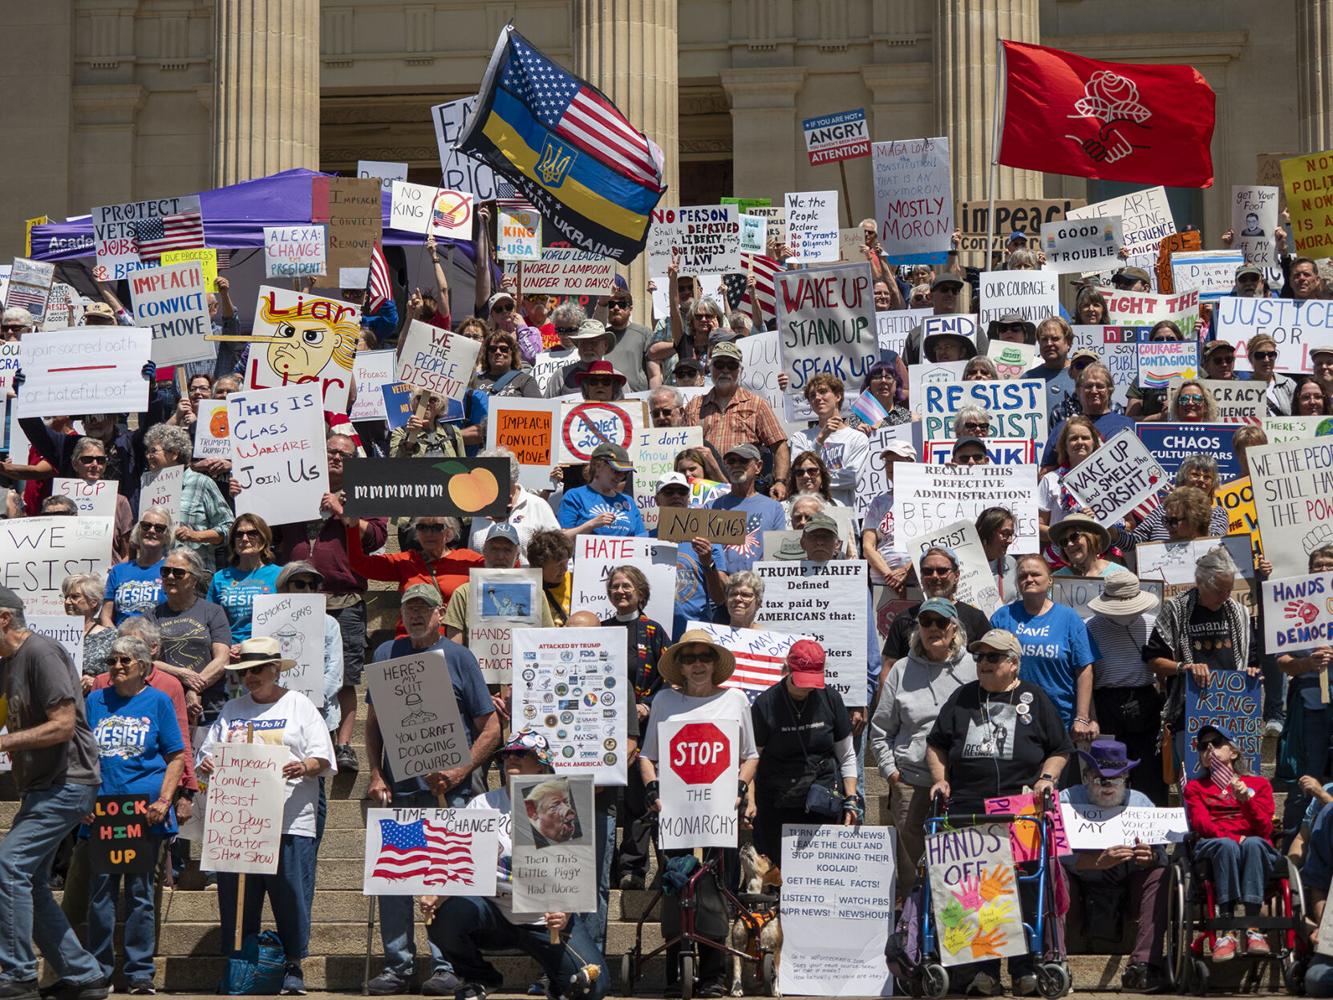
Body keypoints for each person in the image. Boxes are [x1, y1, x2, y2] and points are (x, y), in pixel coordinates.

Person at [364, 583, 500, 997]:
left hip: (450, 793)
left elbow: (491, 727)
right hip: (402, 793)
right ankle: (398, 965)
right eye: (409, 608)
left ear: (440, 612)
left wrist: (461, 771)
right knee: (395, 879)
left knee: (447, 876)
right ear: (400, 615)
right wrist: (375, 773)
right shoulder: (385, 654)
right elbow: (373, 724)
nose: (416, 615)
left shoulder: (460, 658)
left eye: (424, 608)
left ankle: (448, 965)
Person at [925, 628, 1072, 996]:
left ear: (1013, 662)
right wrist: (941, 780)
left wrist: (1046, 778)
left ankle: (1024, 968)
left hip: (1019, 808)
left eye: (993, 657)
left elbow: (1059, 748)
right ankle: (984, 972)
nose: (984, 664)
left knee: (1021, 890)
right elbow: (936, 744)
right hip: (968, 810)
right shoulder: (962, 699)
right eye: (980, 658)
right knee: (979, 892)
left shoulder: (1034, 699)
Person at [418, 731, 607, 1000]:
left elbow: (574, 872)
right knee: (445, 915)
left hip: (545, 921)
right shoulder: (482, 804)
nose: (511, 760)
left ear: (541, 763)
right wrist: (437, 894)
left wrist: (565, 910)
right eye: (506, 755)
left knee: (594, 989)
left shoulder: (563, 803)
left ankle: (555, 981)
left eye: (521, 754)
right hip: (493, 914)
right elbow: (461, 863)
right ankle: (479, 977)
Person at [198, 637, 336, 996]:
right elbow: (205, 755)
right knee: (237, 897)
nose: (251, 677)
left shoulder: (299, 706)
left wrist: (303, 765)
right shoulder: (232, 710)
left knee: (291, 894)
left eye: (257, 670)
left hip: (290, 819)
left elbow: (323, 757)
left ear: (276, 669)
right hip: (240, 823)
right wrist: (208, 762)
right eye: (245, 671)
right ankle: (241, 964)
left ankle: (293, 964)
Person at [0, 585, 106, 1000]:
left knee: (8, 868)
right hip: (44, 787)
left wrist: (4, 745)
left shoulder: (40, 653)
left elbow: (63, 725)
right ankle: (85, 977)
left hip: (68, 782)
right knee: (32, 882)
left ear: (3, 618)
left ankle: (17, 973)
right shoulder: (7, 664)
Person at [640, 629, 758, 997]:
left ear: (714, 663)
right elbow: (647, 755)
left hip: (718, 810)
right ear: (679, 665)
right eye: (689, 658)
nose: (697, 665)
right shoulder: (664, 701)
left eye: (704, 657)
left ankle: (713, 976)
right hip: (675, 810)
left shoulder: (735, 700)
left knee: (713, 889)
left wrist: (741, 788)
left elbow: (750, 755)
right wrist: (652, 788)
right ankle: (676, 972)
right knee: (676, 886)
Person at [275, 432, 388, 773]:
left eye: (346, 455)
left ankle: (342, 745)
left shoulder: (363, 495)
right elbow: (269, 528)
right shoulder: (292, 485)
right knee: (290, 669)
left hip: (343, 600)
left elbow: (378, 537)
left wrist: (344, 512)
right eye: (331, 451)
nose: (338, 457)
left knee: (346, 675)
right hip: (295, 599)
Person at [83, 635, 184, 994]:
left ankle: (140, 972)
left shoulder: (157, 701)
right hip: (103, 811)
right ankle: (98, 970)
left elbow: (176, 755)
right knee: (101, 895)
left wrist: (165, 800)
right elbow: (80, 755)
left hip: (144, 814)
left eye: (125, 660)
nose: (117, 666)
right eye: (112, 661)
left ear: (143, 666)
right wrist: (82, 803)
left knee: (140, 894)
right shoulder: (95, 700)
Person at [870, 598, 977, 893]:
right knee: (912, 870)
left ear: (954, 628)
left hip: (961, 784)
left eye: (940, 623)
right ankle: (913, 928)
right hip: (911, 781)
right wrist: (892, 773)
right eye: (926, 623)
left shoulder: (974, 667)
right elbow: (880, 730)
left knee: (960, 865)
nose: (933, 629)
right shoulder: (902, 670)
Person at [1061, 740, 1169, 992]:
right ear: (1087, 777)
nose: (1108, 786)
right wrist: (1095, 862)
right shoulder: (1066, 800)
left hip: (1128, 881)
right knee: (1054, 872)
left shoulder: (1141, 803)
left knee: (1160, 874)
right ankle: (1053, 957)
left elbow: (1163, 854)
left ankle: (1143, 965)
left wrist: (1151, 857)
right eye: (1100, 779)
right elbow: (1054, 853)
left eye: (1116, 779)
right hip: (1080, 883)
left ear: (1127, 777)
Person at [1145, 546, 1257, 772]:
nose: (1225, 596)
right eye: (1219, 591)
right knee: (1195, 784)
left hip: (1232, 711)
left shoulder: (1239, 612)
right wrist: (1184, 667)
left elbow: (1252, 658)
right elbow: (1153, 659)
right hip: (1190, 714)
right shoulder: (1176, 610)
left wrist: (1252, 671)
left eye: (1229, 590)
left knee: (1238, 782)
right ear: (1201, 583)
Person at [750, 640, 858, 863]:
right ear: (789, 669)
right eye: (802, 681)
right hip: (777, 799)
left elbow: (846, 754)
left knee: (816, 869)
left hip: (821, 798)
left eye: (812, 682)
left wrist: (851, 799)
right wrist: (750, 801)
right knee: (778, 870)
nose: (806, 688)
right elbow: (753, 757)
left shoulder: (831, 699)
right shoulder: (765, 704)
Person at [1183, 723, 1279, 961]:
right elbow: (1202, 825)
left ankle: (1253, 927)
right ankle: (1226, 928)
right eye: (1203, 746)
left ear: (1233, 752)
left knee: (1254, 843)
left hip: (1254, 844)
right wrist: (1235, 838)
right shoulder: (1195, 788)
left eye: (1216, 743)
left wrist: (1246, 800)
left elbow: (1265, 828)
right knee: (1228, 845)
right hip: (1214, 844)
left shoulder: (1259, 785)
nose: (1209, 749)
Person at [601, 565, 668, 890]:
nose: (620, 592)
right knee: (610, 799)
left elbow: (670, 677)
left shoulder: (654, 632)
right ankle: (610, 867)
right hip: (603, 729)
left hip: (644, 727)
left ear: (640, 591)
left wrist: (647, 704)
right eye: (615, 586)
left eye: (627, 586)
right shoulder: (600, 630)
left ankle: (634, 869)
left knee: (640, 799)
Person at [991, 554, 1099, 740]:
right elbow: (988, 664)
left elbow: (1084, 669)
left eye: (1035, 574)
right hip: (1009, 718)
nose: (1029, 579)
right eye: (1023, 576)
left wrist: (1082, 718)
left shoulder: (1069, 619)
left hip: (1059, 718)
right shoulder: (1002, 617)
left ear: (1050, 580)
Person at [1084, 573, 1166, 805]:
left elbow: (1160, 670)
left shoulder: (1152, 623)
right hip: (1106, 702)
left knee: (1149, 772)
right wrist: (1090, 716)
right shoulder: (1091, 627)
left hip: (1145, 701)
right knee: (1109, 772)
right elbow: (1087, 674)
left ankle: (1150, 830)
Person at [1276, 544, 1333, 836]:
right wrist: (1307, 662)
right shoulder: (1292, 608)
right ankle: (1293, 846)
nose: (1323, 570)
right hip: (1309, 710)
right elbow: (1282, 661)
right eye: (1317, 565)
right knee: (1305, 780)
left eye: (1329, 564)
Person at [684, 342, 790, 499]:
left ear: (740, 370)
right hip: (703, 492)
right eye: (719, 364)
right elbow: (681, 450)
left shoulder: (756, 404)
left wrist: (780, 481)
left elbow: (779, 445)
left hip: (744, 492)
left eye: (732, 365)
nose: (725, 370)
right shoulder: (694, 406)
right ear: (710, 368)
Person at [145, 547, 233, 725]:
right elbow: (144, 660)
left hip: (209, 707)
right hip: (165, 707)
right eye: (165, 571)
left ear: (193, 579)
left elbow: (222, 659)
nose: (170, 577)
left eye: (178, 573)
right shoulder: (151, 616)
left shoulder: (212, 612)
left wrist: (194, 688)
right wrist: (180, 673)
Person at [346, 513, 483, 613]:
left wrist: (501, 521)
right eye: (422, 527)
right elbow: (359, 563)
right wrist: (353, 524)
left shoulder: (467, 559)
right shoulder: (405, 561)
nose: (429, 533)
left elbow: (501, 569)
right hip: (412, 642)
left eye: (436, 528)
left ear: (449, 532)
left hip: (452, 641)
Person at [142, 424, 234, 571]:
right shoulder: (146, 486)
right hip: (155, 575)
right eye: (147, 451)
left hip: (193, 575)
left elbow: (230, 528)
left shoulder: (201, 483)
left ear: (174, 454)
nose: (148, 456)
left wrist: (196, 536)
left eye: (153, 451)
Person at [880, 547, 992, 665]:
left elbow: (991, 662)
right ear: (921, 576)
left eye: (942, 571)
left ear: (957, 575)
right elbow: (889, 668)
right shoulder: (903, 619)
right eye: (928, 571)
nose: (935, 576)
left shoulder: (976, 618)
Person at [706, 443, 787, 586]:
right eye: (731, 461)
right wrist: (724, 579)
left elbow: (775, 551)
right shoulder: (712, 507)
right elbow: (710, 551)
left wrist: (751, 584)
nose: (736, 465)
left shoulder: (774, 508)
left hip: (759, 588)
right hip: (721, 590)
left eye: (743, 461)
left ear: (759, 466)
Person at [464, 448, 563, 559]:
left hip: (527, 575)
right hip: (485, 576)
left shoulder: (537, 505)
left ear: (511, 478)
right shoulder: (480, 509)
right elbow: (472, 553)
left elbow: (559, 548)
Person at [786, 375, 869, 506]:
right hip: (807, 512)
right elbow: (798, 475)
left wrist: (816, 478)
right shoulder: (800, 438)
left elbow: (852, 478)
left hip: (841, 513)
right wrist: (819, 440)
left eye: (823, 392)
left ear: (838, 396)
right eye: (812, 396)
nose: (817, 398)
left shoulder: (857, 438)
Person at [1041, 363, 1133, 471]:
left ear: (1109, 390)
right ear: (1078, 390)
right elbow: (1044, 473)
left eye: (1100, 386)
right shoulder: (1062, 428)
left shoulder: (1127, 425)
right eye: (1089, 386)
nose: (1094, 391)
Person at [207, 513, 282, 644]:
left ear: (264, 538)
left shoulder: (280, 575)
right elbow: (211, 620)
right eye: (239, 534)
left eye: (252, 533)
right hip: (229, 651)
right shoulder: (220, 577)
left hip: (267, 651)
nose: (245, 539)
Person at [1037, 415, 1102, 552]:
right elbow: (1038, 526)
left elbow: (1128, 525)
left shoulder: (1109, 478)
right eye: (1073, 438)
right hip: (1059, 557)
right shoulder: (1051, 480)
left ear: (1094, 443)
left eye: (1085, 437)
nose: (1080, 442)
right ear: (1064, 446)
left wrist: (1099, 519)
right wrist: (1063, 534)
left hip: (1098, 556)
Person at [861, 439, 917, 592]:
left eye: (897, 461)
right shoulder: (878, 503)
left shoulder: (928, 498)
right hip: (883, 582)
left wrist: (907, 570)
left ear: (911, 464)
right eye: (888, 462)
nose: (891, 466)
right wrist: (890, 577)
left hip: (918, 578)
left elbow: (933, 542)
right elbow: (868, 546)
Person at [65, 437, 134, 561]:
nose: (95, 465)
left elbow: (128, 554)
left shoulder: (120, 502)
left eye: (101, 460)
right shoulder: (62, 501)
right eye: (87, 460)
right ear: (75, 464)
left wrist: (115, 572)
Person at [557, 442, 644, 538]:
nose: (620, 477)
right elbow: (561, 539)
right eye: (615, 471)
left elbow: (641, 538)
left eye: (625, 472)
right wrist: (591, 524)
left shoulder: (628, 501)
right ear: (597, 466)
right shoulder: (575, 496)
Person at [102, 508, 171, 626]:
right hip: (121, 640)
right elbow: (106, 616)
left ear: (167, 536)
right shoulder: (118, 571)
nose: (152, 531)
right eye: (146, 526)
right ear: (138, 530)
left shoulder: (172, 571)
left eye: (159, 528)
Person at [1026, 317, 1077, 429]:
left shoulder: (1083, 376)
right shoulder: (1027, 379)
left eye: (1055, 339)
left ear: (1068, 342)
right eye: (1044, 339)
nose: (1049, 344)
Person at [63, 574, 116, 682]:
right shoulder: (54, 634)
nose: (67, 602)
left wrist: (96, 683)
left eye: (75, 597)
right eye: (66, 597)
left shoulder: (111, 637)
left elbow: (121, 674)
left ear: (93, 602)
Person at [389, 388, 467, 459]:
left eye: (433, 400)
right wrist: (410, 441)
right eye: (420, 398)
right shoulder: (400, 433)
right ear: (414, 402)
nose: (426, 403)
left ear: (441, 405)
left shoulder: (453, 432)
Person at [528, 529, 574, 628]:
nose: (565, 568)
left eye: (565, 562)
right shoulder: (528, 589)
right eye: (559, 565)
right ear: (540, 565)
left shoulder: (576, 581)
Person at [847, 361, 911, 432]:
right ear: (869, 386)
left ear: (896, 385)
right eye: (877, 377)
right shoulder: (852, 421)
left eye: (888, 377)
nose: (883, 381)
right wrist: (854, 435)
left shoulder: (911, 419)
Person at [1050, 514, 1116, 578]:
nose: (1069, 544)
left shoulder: (1117, 574)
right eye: (1064, 542)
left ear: (1091, 538)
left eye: (1074, 537)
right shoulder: (1057, 579)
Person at [1246, 332, 1297, 416]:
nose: (1266, 359)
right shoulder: (1242, 388)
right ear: (1250, 358)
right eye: (1260, 355)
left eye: (1271, 354)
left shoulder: (1289, 384)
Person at [976, 507, 1018, 603]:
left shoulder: (1011, 563)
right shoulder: (963, 566)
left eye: (1011, 534)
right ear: (987, 532)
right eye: (1005, 534)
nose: (1010, 541)